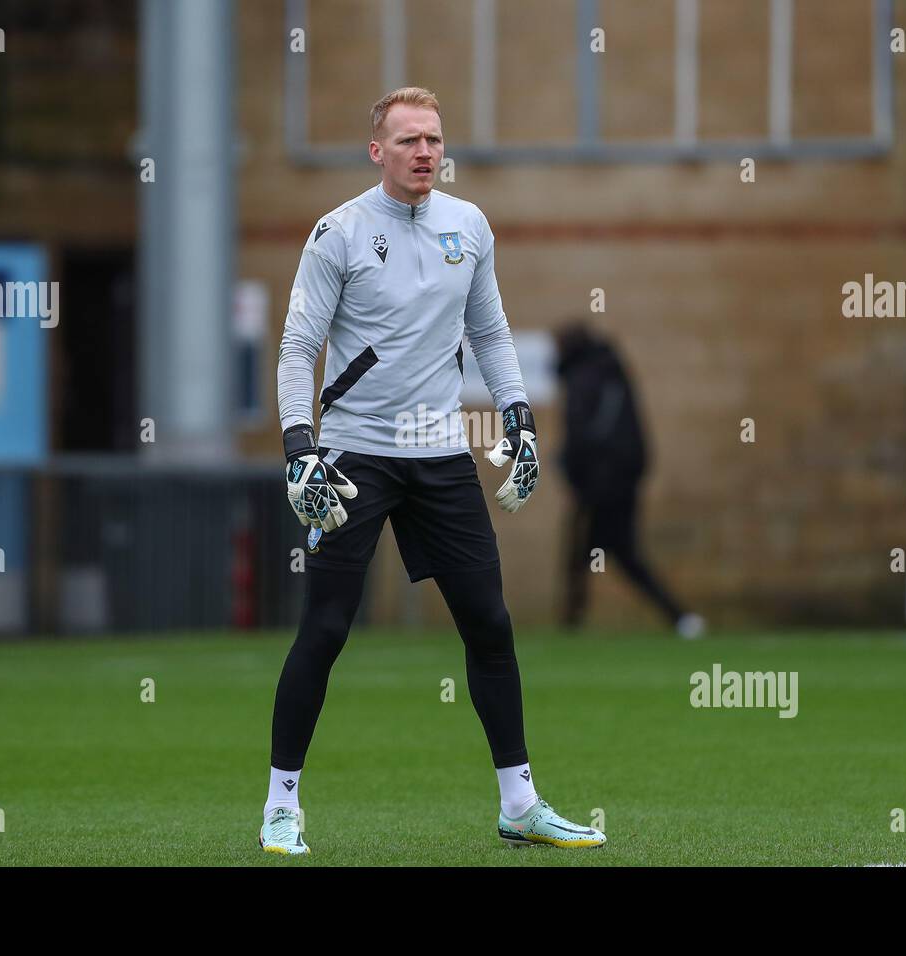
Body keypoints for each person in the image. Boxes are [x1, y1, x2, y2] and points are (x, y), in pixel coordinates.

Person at [262, 88, 605, 855]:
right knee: (324, 627)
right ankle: (281, 804)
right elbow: (296, 349)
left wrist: (518, 420)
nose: (426, 151)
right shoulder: (337, 234)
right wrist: (298, 446)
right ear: (376, 150)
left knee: (490, 623)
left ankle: (519, 803)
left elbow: (489, 328)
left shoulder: (469, 226)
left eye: (435, 139)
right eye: (410, 139)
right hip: (354, 454)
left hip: (441, 452)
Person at [554, 323, 705, 638]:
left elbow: (580, 437)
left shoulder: (583, 379)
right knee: (607, 554)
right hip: (619, 482)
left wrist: (572, 471)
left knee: (597, 553)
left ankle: (679, 618)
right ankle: (679, 619)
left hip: (599, 486)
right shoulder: (613, 375)